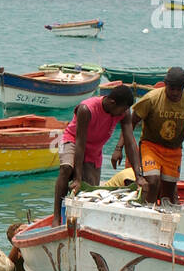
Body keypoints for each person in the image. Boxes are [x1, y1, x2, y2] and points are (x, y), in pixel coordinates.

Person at [129, 67, 184, 204]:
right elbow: (132, 122)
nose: (175, 92)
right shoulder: (152, 98)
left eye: (179, 89)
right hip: (151, 146)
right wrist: (120, 147)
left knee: (169, 192)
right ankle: (147, 211)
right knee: (153, 182)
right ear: (165, 85)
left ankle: (163, 216)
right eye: (172, 88)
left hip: (174, 150)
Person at [51, 86, 141, 224]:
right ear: (112, 102)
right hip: (72, 141)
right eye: (122, 109)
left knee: (89, 191)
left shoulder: (124, 112)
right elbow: (80, 143)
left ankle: (78, 220)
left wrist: (138, 176)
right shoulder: (86, 109)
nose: (123, 113)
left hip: (94, 150)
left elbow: (130, 141)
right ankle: (57, 217)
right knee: (66, 168)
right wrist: (77, 178)